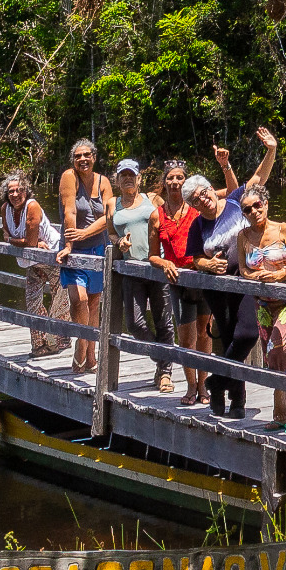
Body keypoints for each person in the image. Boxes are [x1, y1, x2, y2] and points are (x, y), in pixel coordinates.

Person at [182, 126, 279, 418]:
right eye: (195, 200)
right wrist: (208, 265)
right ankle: (234, 401)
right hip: (218, 289)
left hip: (245, 280)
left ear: (212, 189)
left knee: (246, 334)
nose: (203, 199)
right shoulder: (198, 226)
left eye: (204, 193)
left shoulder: (237, 201)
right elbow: (195, 258)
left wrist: (271, 150)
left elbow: (259, 178)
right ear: (192, 206)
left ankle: (216, 383)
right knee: (227, 338)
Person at [236, 183, 286, 432]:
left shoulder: (284, 229)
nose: (254, 211)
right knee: (271, 357)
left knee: (280, 347)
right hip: (262, 303)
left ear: (265, 204)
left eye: (257, 205)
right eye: (247, 209)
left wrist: (279, 275)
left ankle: (283, 412)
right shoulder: (243, 236)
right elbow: (243, 268)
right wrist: (252, 276)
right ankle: (283, 414)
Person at [107, 159, 175, 391]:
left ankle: (165, 374)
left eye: (131, 175)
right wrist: (119, 242)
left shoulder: (152, 199)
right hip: (131, 269)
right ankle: (162, 357)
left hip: (157, 267)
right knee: (134, 323)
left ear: (139, 178)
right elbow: (110, 233)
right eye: (123, 175)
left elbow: (172, 218)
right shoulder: (112, 204)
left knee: (163, 321)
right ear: (117, 180)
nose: (128, 179)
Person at [150, 159, 207, 405]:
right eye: (170, 178)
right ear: (164, 183)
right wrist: (165, 263)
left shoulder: (197, 210)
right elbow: (152, 255)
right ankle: (191, 385)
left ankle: (204, 386)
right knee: (186, 339)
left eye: (179, 178)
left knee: (204, 335)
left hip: (202, 279)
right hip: (178, 280)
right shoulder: (157, 215)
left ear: (186, 181)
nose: (175, 182)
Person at [56, 138, 114, 374]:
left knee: (93, 302)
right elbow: (69, 211)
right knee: (78, 299)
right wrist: (70, 244)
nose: (82, 159)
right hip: (74, 249)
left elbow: (109, 216)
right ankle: (81, 346)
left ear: (94, 157)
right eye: (78, 156)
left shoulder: (103, 182)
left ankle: (91, 356)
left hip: (98, 248)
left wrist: (85, 233)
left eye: (86, 155)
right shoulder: (69, 177)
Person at [0, 173, 70, 356]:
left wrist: (14, 240)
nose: (15, 194)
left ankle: (59, 341)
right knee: (32, 301)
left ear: (26, 191)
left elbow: (26, 241)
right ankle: (39, 345)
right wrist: (24, 241)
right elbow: (8, 235)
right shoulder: (5, 208)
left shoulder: (32, 206)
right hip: (32, 261)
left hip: (52, 257)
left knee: (59, 301)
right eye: (11, 191)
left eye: (19, 190)